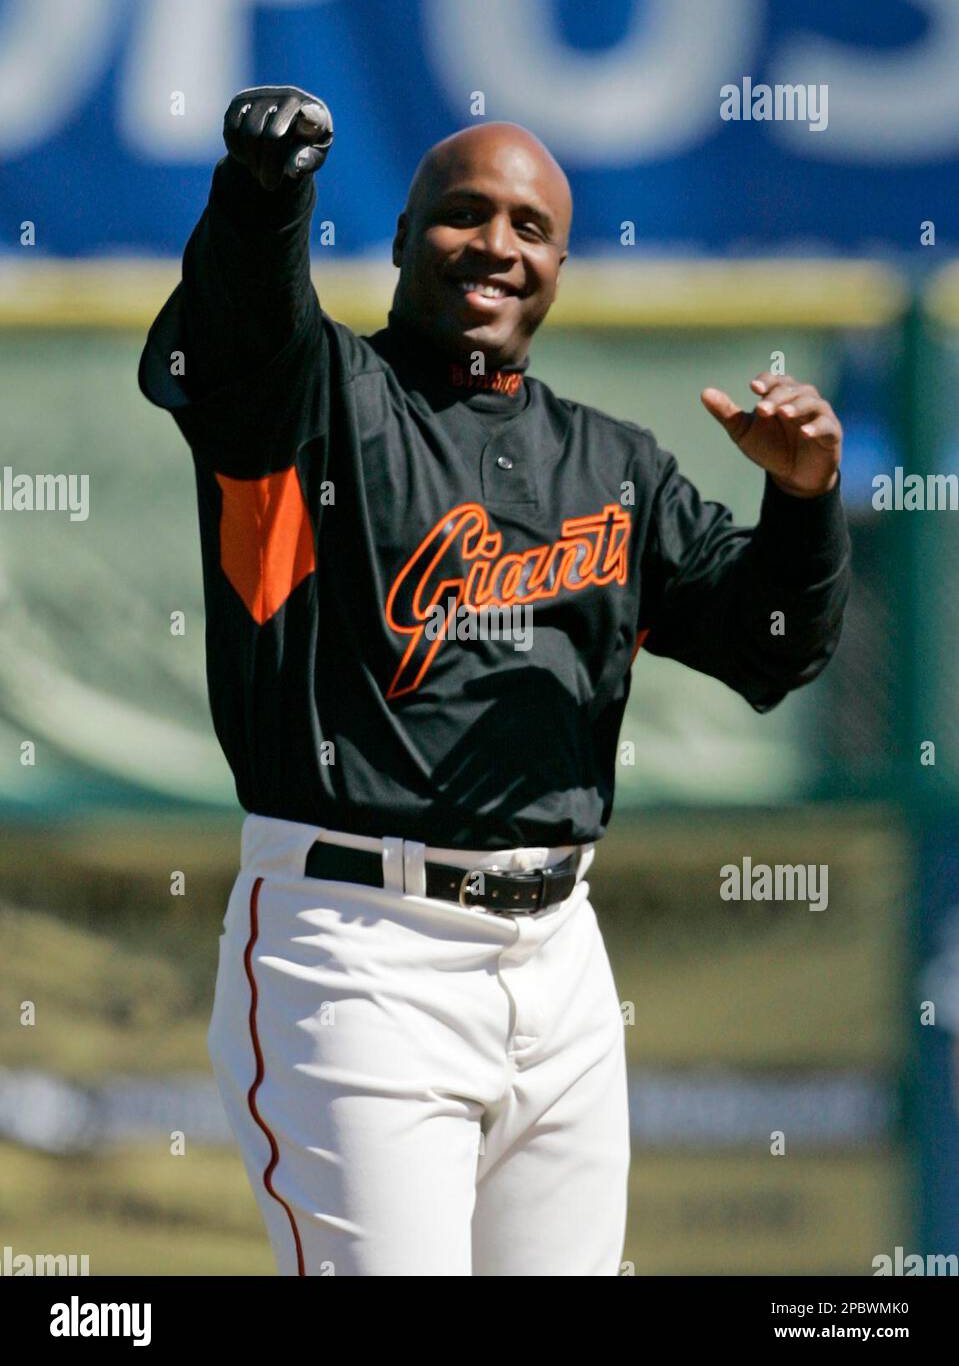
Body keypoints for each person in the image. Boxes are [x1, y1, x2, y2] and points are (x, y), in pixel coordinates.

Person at [138, 86, 852, 1276]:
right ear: (404, 238)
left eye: (529, 227)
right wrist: (263, 197)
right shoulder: (316, 403)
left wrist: (800, 504)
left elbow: (768, 645)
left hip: (560, 961)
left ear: (560, 266)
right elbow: (232, 333)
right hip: (353, 948)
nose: (497, 245)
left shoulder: (611, 464)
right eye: (464, 215)